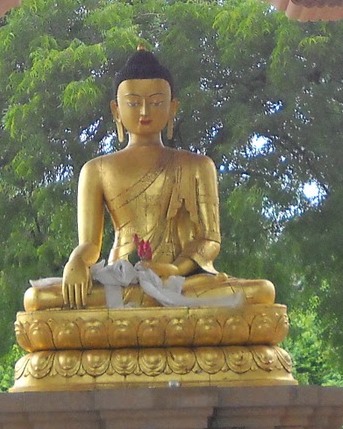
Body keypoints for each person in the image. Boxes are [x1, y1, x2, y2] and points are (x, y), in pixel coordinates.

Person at [23, 45, 276, 311]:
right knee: (37, 299)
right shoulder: (96, 169)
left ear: (172, 107)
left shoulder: (198, 166)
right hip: (122, 281)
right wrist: (77, 261)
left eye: (156, 103)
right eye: (133, 103)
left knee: (262, 291)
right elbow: (90, 244)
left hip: (180, 281)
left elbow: (209, 240)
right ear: (116, 110)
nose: (144, 112)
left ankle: (152, 305)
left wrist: (173, 269)